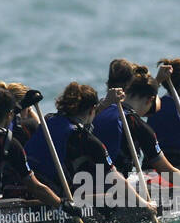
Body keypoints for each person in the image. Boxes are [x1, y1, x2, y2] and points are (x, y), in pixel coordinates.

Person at [25, 82, 157, 212]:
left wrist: (106, 102)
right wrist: (145, 204)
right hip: (54, 198)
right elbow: (115, 178)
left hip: (25, 187)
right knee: (114, 191)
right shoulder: (84, 138)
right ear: (91, 110)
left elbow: (85, 115)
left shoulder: (48, 120)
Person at [92, 65, 180, 194]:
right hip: (113, 191)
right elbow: (167, 171)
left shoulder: (101, 112)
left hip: (86, 183)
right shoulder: (138, 125)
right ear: (151, 99)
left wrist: (157, 80)